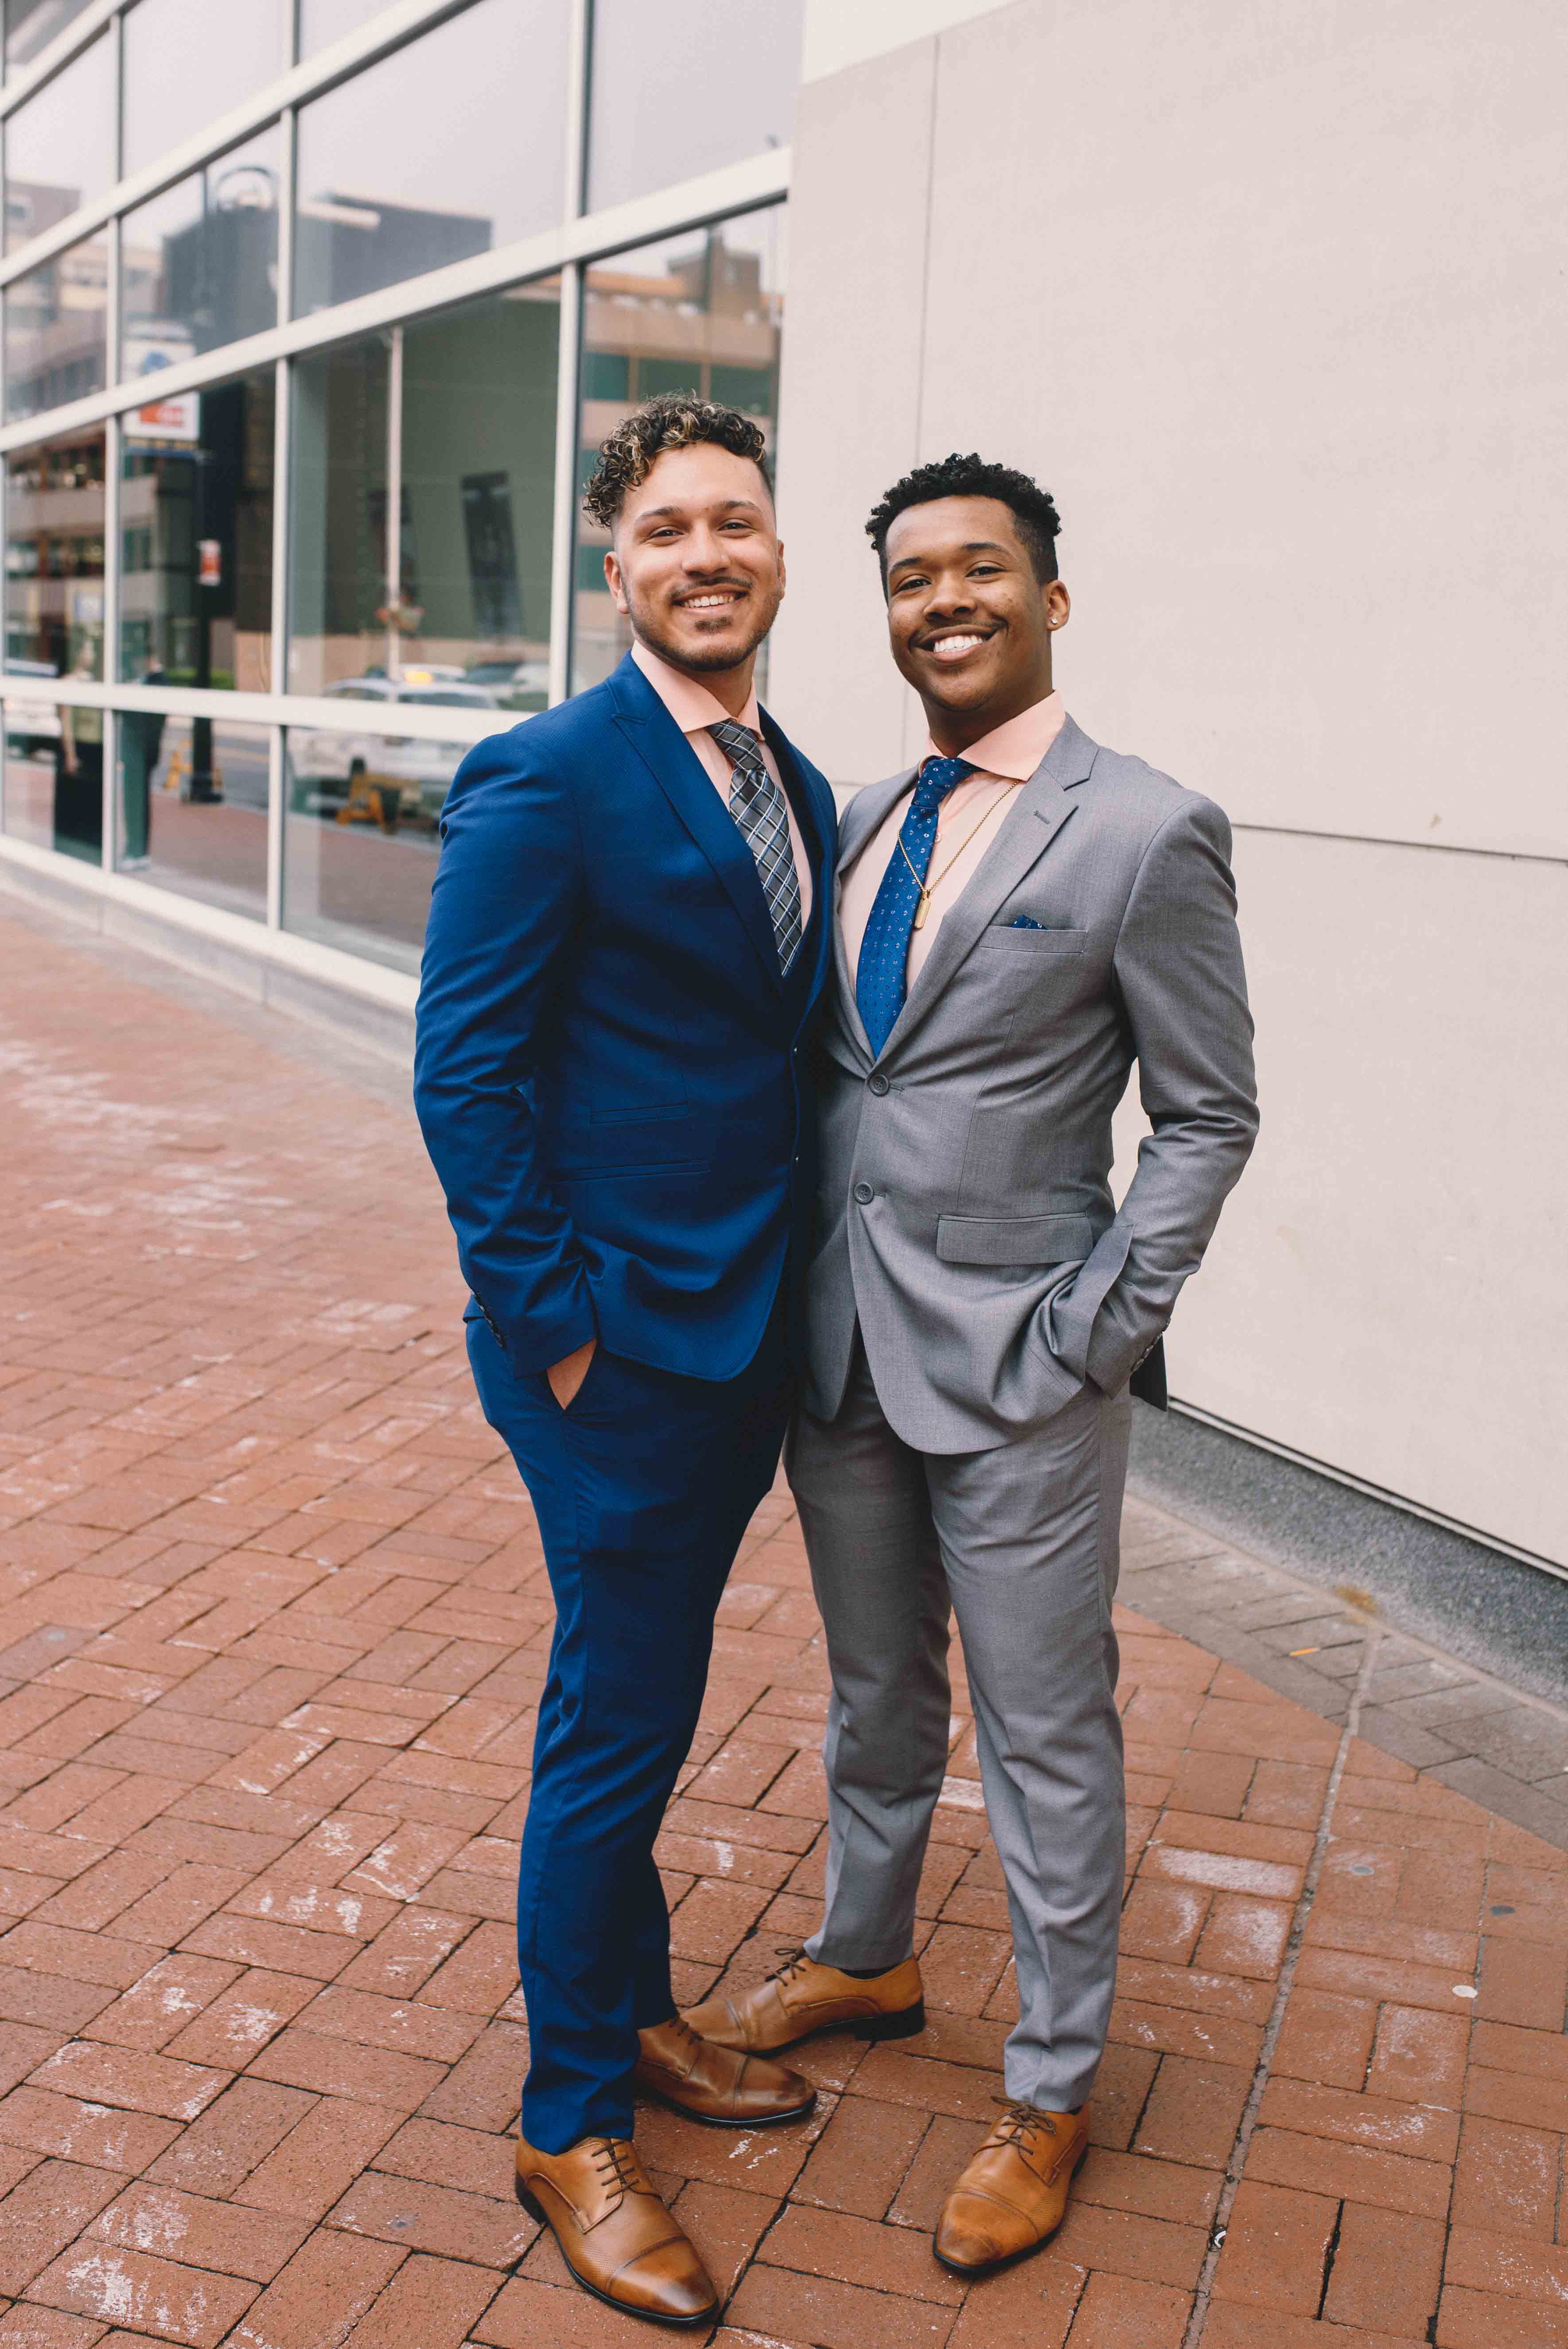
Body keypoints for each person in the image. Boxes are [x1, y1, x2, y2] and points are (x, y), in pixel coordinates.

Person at [688, 452, 1260, 2276]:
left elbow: (1208, 1113)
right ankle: (869, 1955)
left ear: (1050, 600)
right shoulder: (857, 814)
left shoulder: (1145, 830)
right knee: (873, 1697)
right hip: (839, 1352)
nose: (944, 602)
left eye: (980, 574)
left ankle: (1053, 2083)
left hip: (1024, 1367)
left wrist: (1102, 1325)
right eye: (913, 577)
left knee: (1045, 1735)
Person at [413, 396, 839, 2329]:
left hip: (740, 1332)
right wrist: (557, 1330)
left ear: (774, 549)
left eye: (733, 522)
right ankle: (569, 2117)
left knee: (642, 1703)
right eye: (666, 529)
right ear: (615, 563)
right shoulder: (548, 775)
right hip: (617, 1356)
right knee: (616, 1726)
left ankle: (648, 2016)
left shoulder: (797, 780)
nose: (705, 556)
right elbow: (465, 1076)